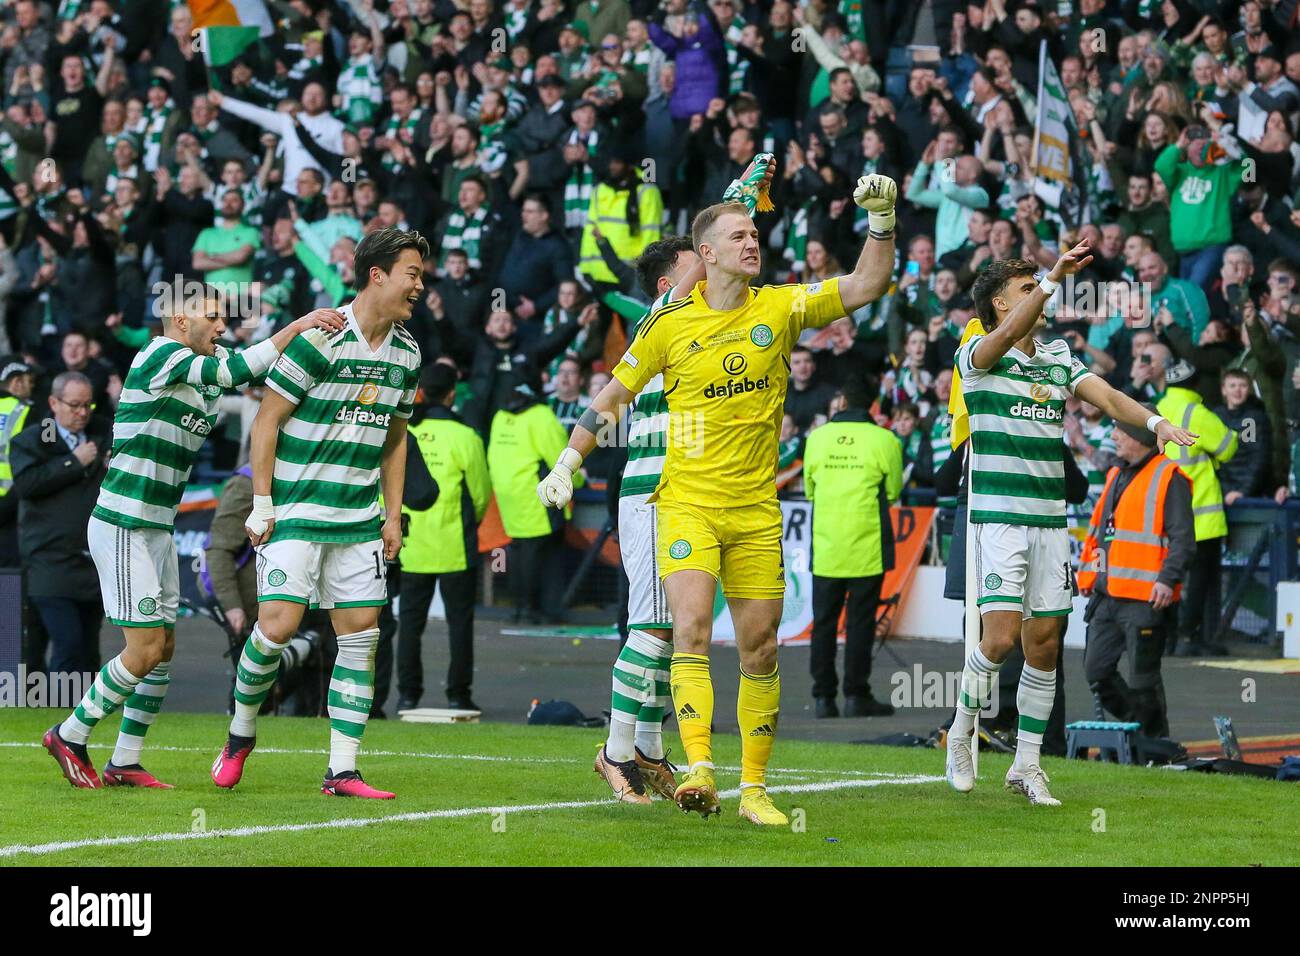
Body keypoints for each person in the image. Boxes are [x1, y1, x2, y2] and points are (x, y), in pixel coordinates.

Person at [539, 169, 899, 825]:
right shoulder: (668, 324)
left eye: (755, 232)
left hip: (757, 511)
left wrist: (880, 224)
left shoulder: (782, 305)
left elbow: (867, 284)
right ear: (705, 255)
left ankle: (754, 790)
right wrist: (568, 461)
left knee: (760, 648)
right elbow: (611, 395)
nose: (752, 241)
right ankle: (694, 765)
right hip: (684, 503)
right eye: (738, 233)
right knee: (688, 633)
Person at [39, 287, 344, 790]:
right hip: (123, 522)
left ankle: (125, 760)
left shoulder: (213, 358)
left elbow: (259, 369)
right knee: (143, 649)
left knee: (165, 647)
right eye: (213, 316)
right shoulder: (161, 354)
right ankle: (69, 735)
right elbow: (236, 372)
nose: (222, 325)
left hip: (156, 525)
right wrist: (303, 322)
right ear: (179, 319)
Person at [946, 248, 1196, 807]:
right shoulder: (975, 354)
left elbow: (1106, 397)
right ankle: (962, 729)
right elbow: (1005, 333)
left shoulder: (1058, 355)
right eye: (1025, 285)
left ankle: (1027, 766)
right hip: (999, 521)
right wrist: (1055, 278)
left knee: (1044, 646)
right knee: (1001, 638)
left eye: (1038, 283)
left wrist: (1156, 422)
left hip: (1050, 525)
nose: (1038, 292)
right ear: (998, 303)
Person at [212, 228, 426, 800]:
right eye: (412, 273)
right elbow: (266, 422)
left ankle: (342, 771)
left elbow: (396, 439)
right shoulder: (320, 339)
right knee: (276, 628)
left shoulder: (407, 352)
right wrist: (261, 506)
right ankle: (240, 731)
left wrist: (392, 514)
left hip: (358, 518)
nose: (420, 285)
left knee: (360, 639)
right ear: (377, 274)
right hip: (297, 513)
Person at [1079, 416, 1195, 737]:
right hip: (1108, 595)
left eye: (1121, 430)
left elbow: (1183, 540)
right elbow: (1100, 534)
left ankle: (1153, 744)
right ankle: (1144, 733)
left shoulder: (1169, 478)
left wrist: (1166, 579)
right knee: (1096, 670)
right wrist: (1091, 576)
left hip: (1145, 597)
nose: (1114, 435)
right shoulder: (1116, 473)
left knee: (1143, 679)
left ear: (1139, 438)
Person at [392, 364, 490, 711]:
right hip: (455, 547)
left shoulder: (405, 431)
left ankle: (407, 694)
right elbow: (480, 493)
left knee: (410, 625)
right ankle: (458, 694)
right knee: (459, 624)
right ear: (451, 394)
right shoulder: (467, 436)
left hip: (411, 544)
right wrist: (466, 522)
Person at [803, 378, 902, 719]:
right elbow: (893, 491)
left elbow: (810, 490)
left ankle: (822, 698)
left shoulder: (816, 439)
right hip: (867, 545)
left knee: (824, 624)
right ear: (872, 406)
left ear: (841, 402)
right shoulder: (885, 439)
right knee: (860, 625)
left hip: (828, 545)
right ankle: (856, 695)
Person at [11, 371, 109, 678]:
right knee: (68, 644)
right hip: (49, 560)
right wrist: (73, 462)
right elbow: (27, 483)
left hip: (93, 560)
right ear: (54, 403)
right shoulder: (35, 438)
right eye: (75, 405)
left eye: (88, 405)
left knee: (89, 649)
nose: (82, 413)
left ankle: (85, 717)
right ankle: (58, 716)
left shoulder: (104, 431)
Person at [1147, 346, 1238, 657]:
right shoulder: (1196, 414)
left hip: (1164, 515)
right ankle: (1191, 636)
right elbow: (1228, 447)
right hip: (1201, 517)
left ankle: (1171, 637)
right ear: (1195, 386)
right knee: (1202, 581)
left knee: (1170, 576)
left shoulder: (1156, 410)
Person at [0, 356, 35, 565]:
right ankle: (9, 600)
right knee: (8, 585)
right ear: (16, 382)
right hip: (11, 508)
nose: (31, 388)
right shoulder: (29, 412)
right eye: (29, 382)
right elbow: (50, 440)